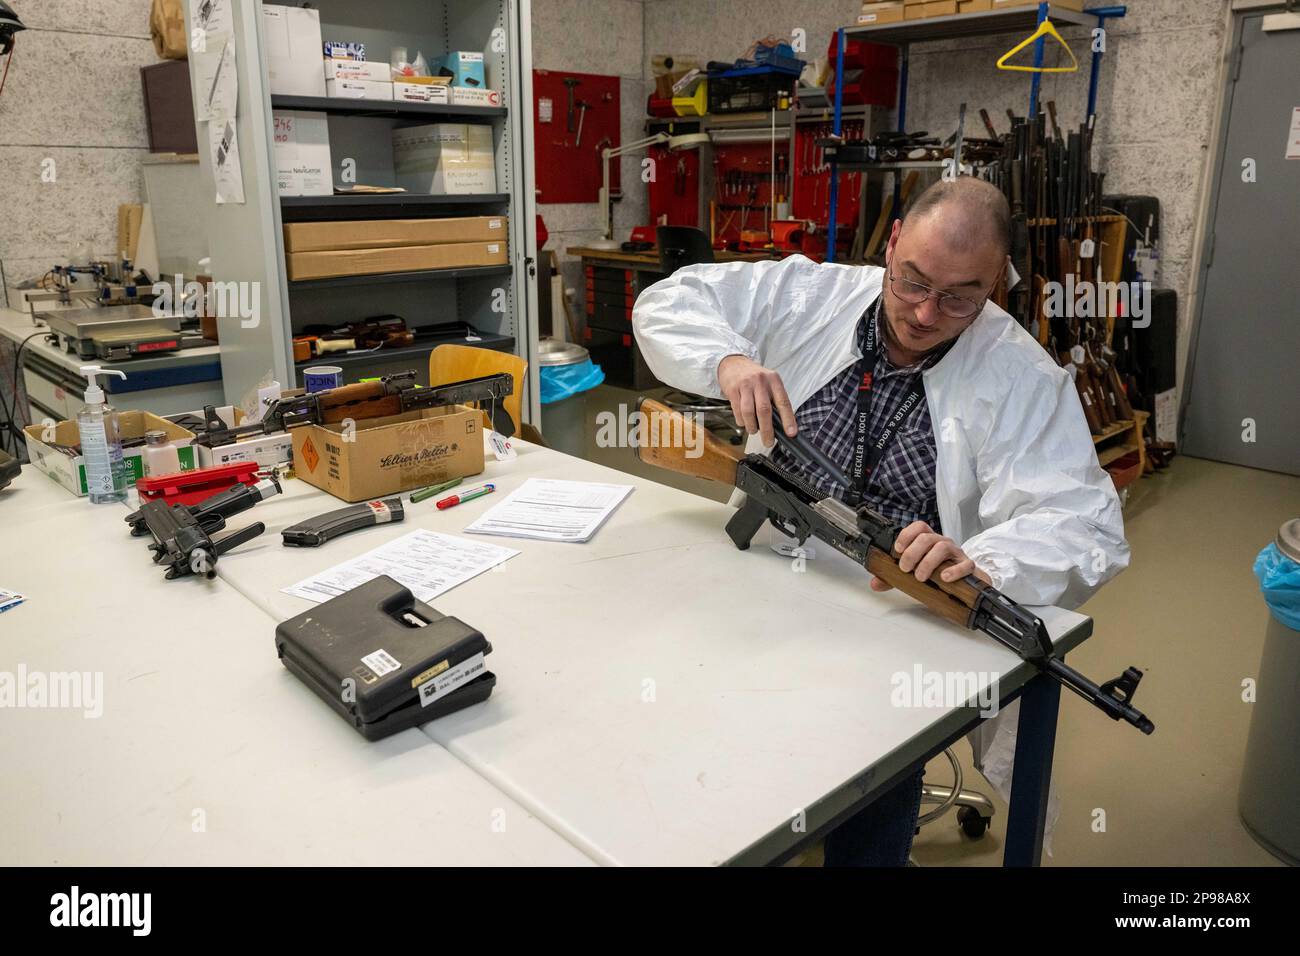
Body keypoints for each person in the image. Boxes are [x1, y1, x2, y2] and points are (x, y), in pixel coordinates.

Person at [631, 177, 1129, 866]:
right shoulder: (814, 294)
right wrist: (729, 359)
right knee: (697, 744)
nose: (924, 313)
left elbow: (1086, 525)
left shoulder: (1022, 376)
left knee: (877, 778)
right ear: (891, 245)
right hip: (768, 576)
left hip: (894, 617)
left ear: (997, 286)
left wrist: (978, 559)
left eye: (959, 298)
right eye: (911, 282)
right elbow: (669, 299)